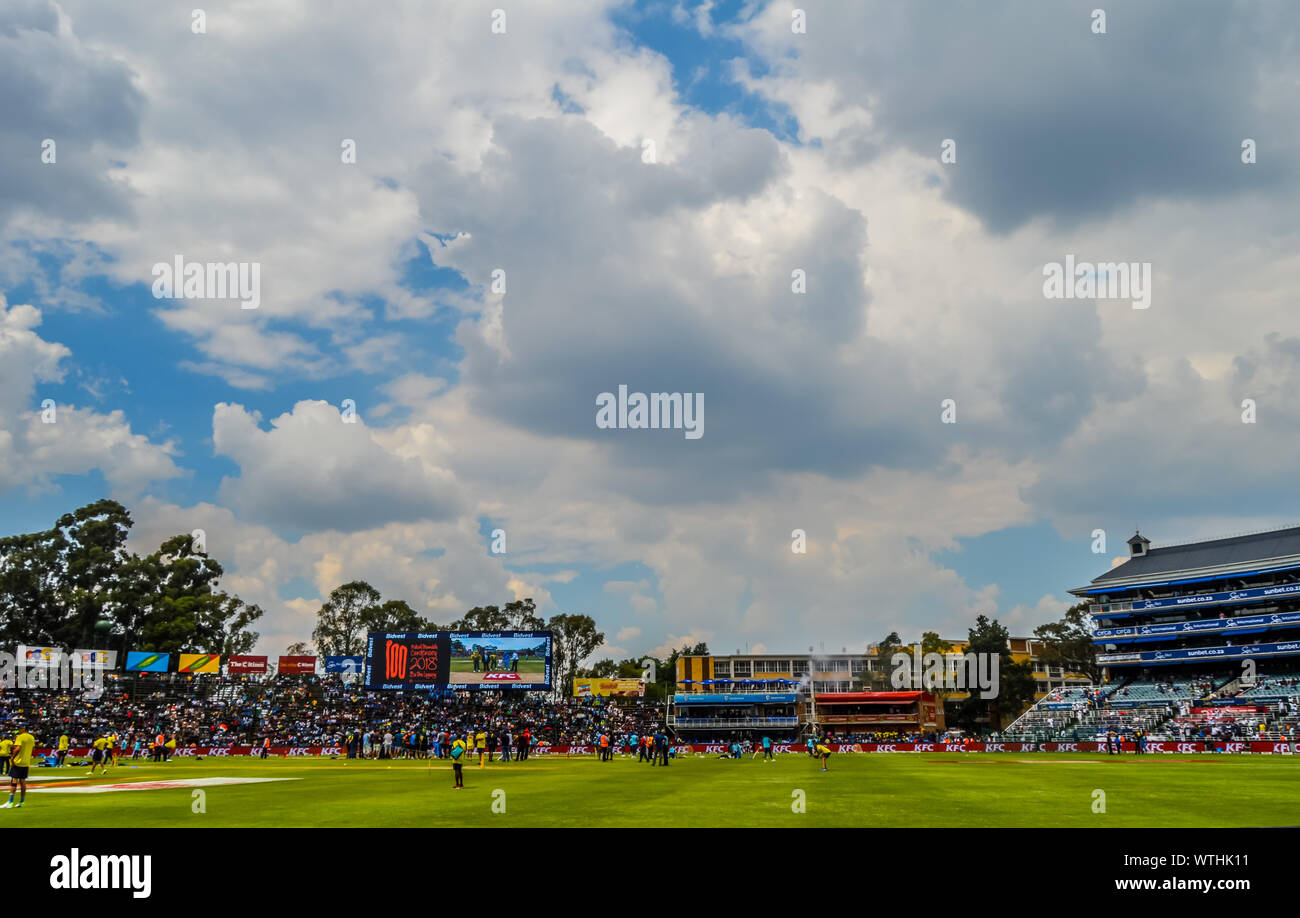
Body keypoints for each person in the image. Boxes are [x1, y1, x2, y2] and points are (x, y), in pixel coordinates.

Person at [1, 724, 36, 809]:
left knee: (14, 781)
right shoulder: (31, 737)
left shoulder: (20, 737)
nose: (19, 730)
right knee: (23, 781)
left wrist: (12, 757)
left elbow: (18, 748)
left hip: (18, 762)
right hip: (26, 762)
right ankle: (22, 801)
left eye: (20, 728)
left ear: (24, 729)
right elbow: (33, 749)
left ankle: (10, 802)